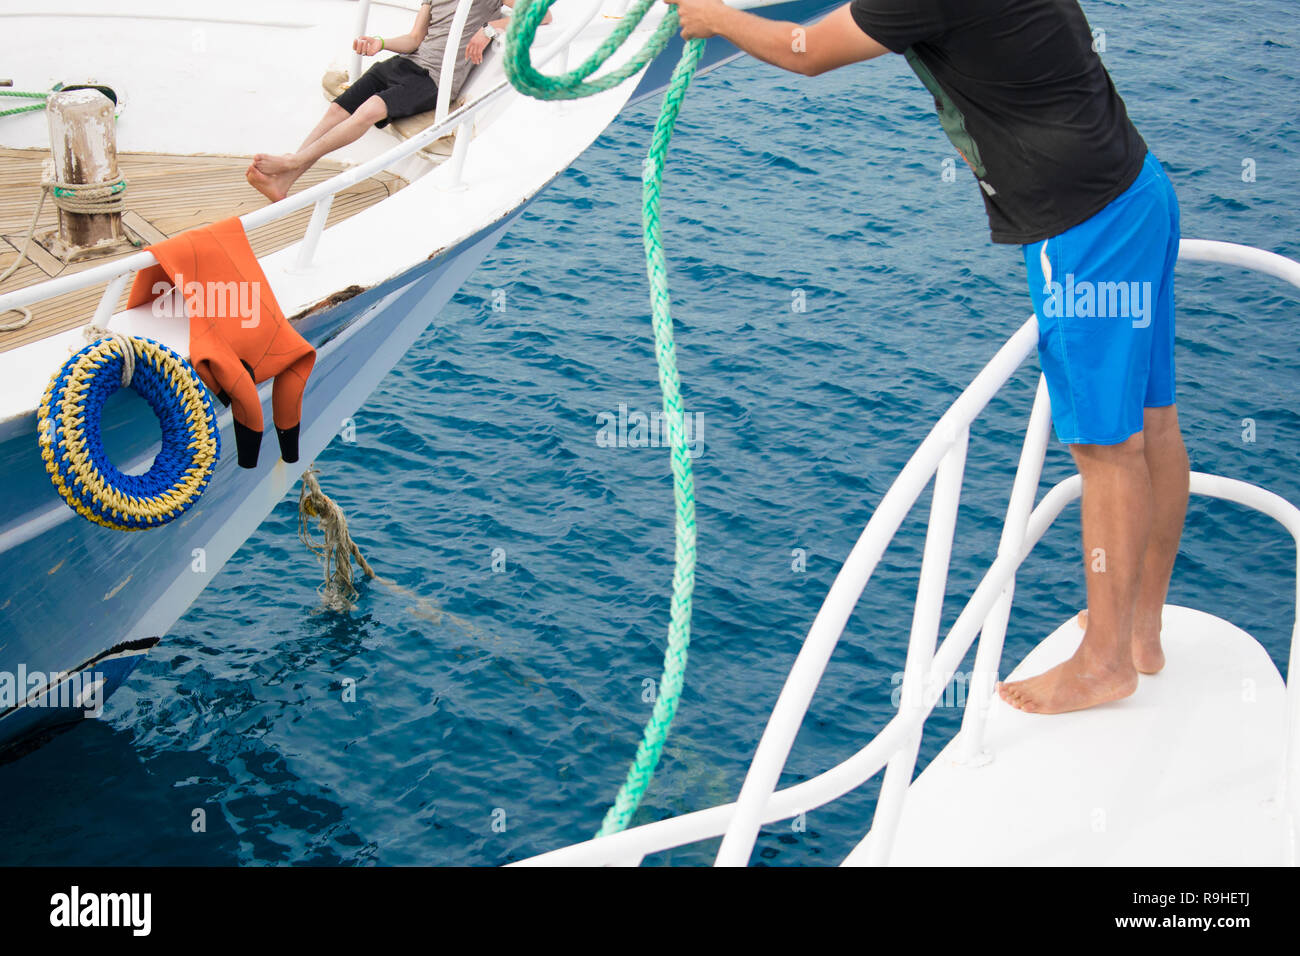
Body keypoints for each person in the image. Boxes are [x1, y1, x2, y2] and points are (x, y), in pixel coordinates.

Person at [666, 0, 1186, 715]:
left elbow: (805, 49)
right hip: (1138, 188)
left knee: (1106, 449)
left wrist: (713, 18)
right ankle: (1142, 630)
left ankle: (1104, 663)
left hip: (1081, 229)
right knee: (1154, 423)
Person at [246, 0, 549, 202]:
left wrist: (490, 28)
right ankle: (285, 180)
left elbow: (543, 14)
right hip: (407, 63)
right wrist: (381, 44)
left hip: (433, 78)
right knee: (338, 108)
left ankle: (293, 161)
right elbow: (415, 39)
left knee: (368, 111)